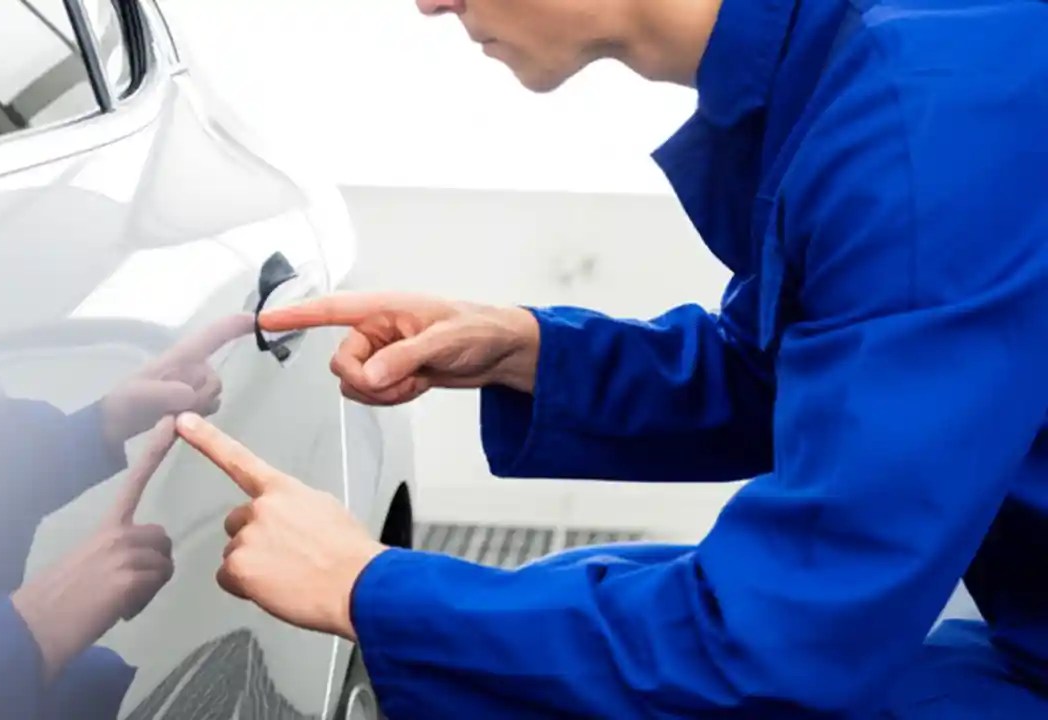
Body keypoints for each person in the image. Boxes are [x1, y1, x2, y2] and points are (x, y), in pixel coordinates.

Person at [171, 0, 1048, 716]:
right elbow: (813, 373)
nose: (429, 1)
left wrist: (365, 586)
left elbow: (781, 641)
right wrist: (530, 351)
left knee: (549, 679)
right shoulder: (870, 61)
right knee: (558, 614)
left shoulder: (917, 124)